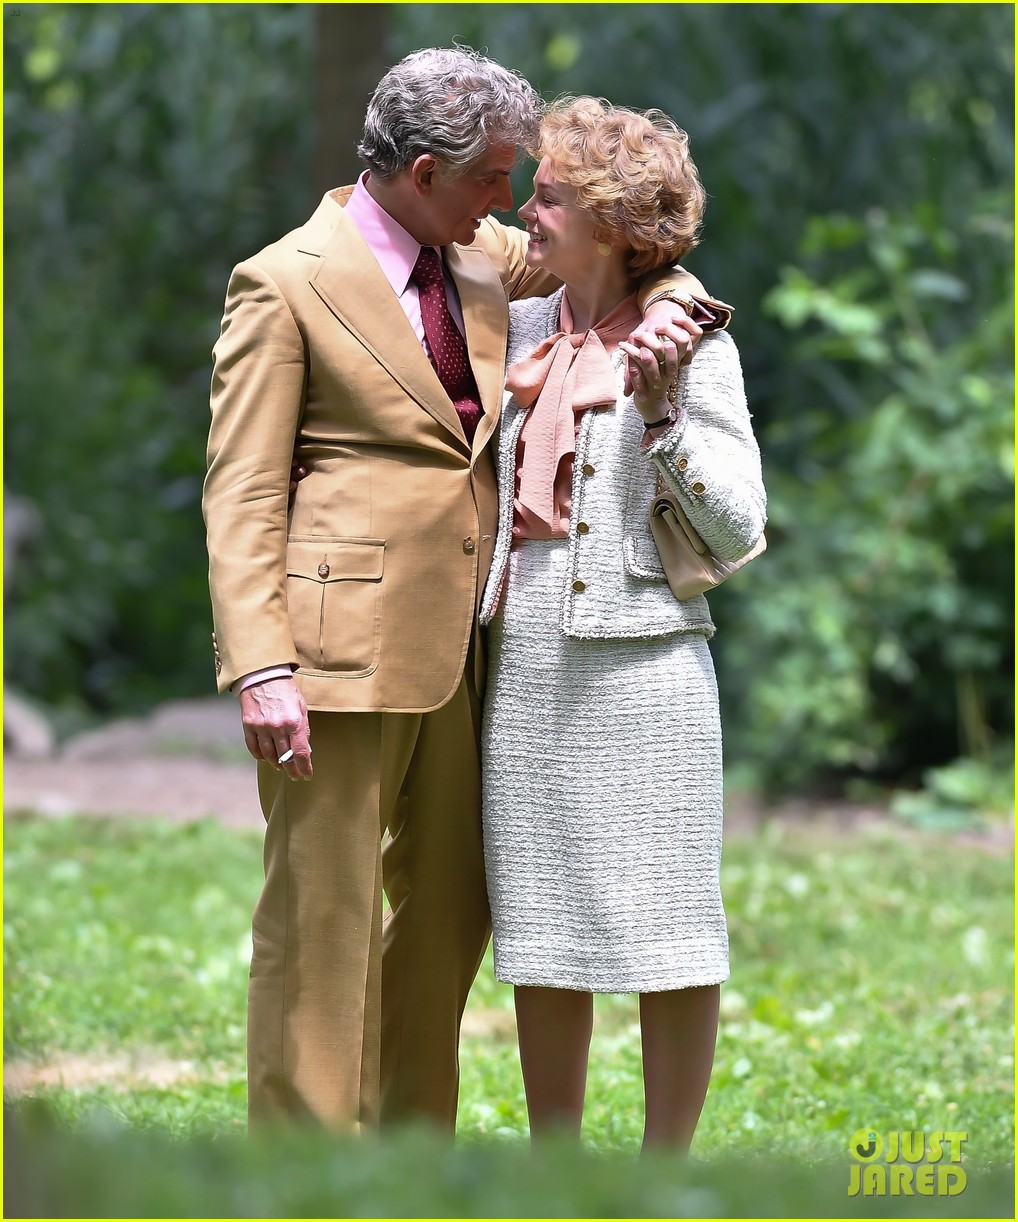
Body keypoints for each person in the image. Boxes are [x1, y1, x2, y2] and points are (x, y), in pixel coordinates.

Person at [203, 48, 731, 1135]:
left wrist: (677, 298)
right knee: (326, 915)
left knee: (451, 910)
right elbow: (242, 489)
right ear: (428, 171)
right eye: (496, 175)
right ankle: (306, 1169)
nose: (510, 197)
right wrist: (260, 664)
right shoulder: (285, 280)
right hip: (334, 644)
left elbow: (625, 242)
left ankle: (409, 1152)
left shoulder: (482, 255)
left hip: (472, 648)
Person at [478, 96, 766, 1152]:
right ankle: (557, 1166)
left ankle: (664, 1169)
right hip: (528, 667)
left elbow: (737, 527)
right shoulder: (514, 330)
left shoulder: (690, 347)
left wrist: (660, 414)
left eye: (547, 197)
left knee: (670, 932)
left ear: (608, 220)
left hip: (647, 671)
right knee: (542, 931)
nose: (526, 211)